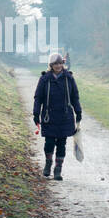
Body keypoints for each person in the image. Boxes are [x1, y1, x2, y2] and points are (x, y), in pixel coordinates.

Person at [32, 51, 81, 180]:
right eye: (55, 64)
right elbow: (38, 97)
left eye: (60, 63)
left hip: (65, 117)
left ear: (63, 64)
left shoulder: (68, 78)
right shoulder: (44, 79)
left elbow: (75, 96)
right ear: (51, 65)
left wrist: (78, 112)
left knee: (61, 144)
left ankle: (58, 170)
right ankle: (48, 164)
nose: (58, 66)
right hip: (49, 116)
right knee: (49, 143)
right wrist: (36, 113)